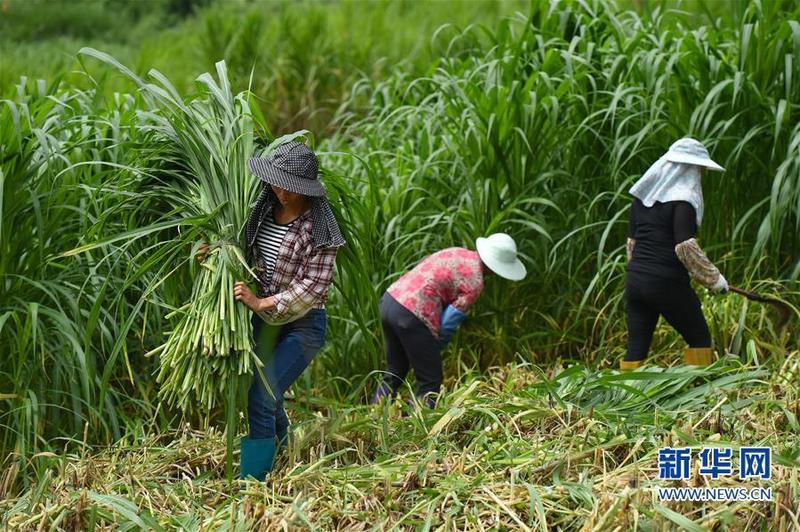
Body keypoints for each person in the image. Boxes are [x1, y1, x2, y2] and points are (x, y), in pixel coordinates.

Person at [200, 141, 345, 480]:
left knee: (263, 395)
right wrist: (213, 256)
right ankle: (283, 454)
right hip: (266, 322)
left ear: (305, 187)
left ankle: (253, 483)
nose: (280, 191)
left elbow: (315, 285)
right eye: (276, 183)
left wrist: (262, 302)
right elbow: (243, 253)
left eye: (288, 186)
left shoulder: (320, 228)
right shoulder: (263, 210)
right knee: (268, 394)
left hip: (303, 325)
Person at [373, 233, 526, 407]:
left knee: (396, 369)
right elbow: (448, 323)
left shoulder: (457, 252)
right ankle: (417, 422)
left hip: (390, 301)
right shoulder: (475, 282)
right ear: (495, 267)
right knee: (430, 380)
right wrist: (432, 348)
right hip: (412, 314)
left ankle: (376, 413)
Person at [623, 137, 728, 370]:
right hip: (665, 282)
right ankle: (700, 388)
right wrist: (715, 280)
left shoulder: (641, 199)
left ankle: (625, 390)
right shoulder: (683, 202)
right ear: (689, 170)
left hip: (635, 280)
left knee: (636, 347)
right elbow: (685, 247)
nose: (701, 174)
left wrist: (643, 274)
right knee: (699, 339)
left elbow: (632, 244)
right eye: (700, 169)